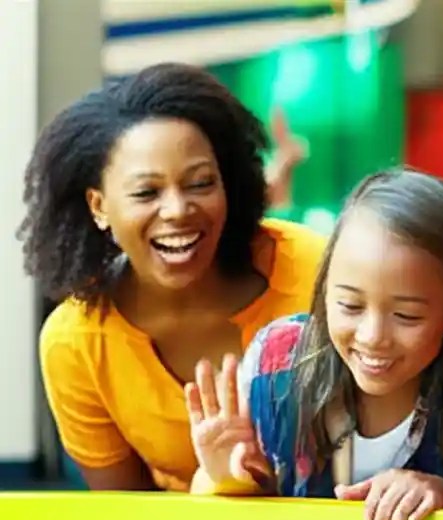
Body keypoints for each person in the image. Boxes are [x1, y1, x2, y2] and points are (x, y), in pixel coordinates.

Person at [185, 169, 443, 520]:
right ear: (324, 290)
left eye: (406, 316)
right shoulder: (277, 365)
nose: (373, 337)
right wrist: (226, 478)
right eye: (350, 306)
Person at [22, 62, 325, 492]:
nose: (178, 210)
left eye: (200, 183)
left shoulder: (320, 272)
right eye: (147, 192)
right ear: (99, 206)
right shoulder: (76, 342)